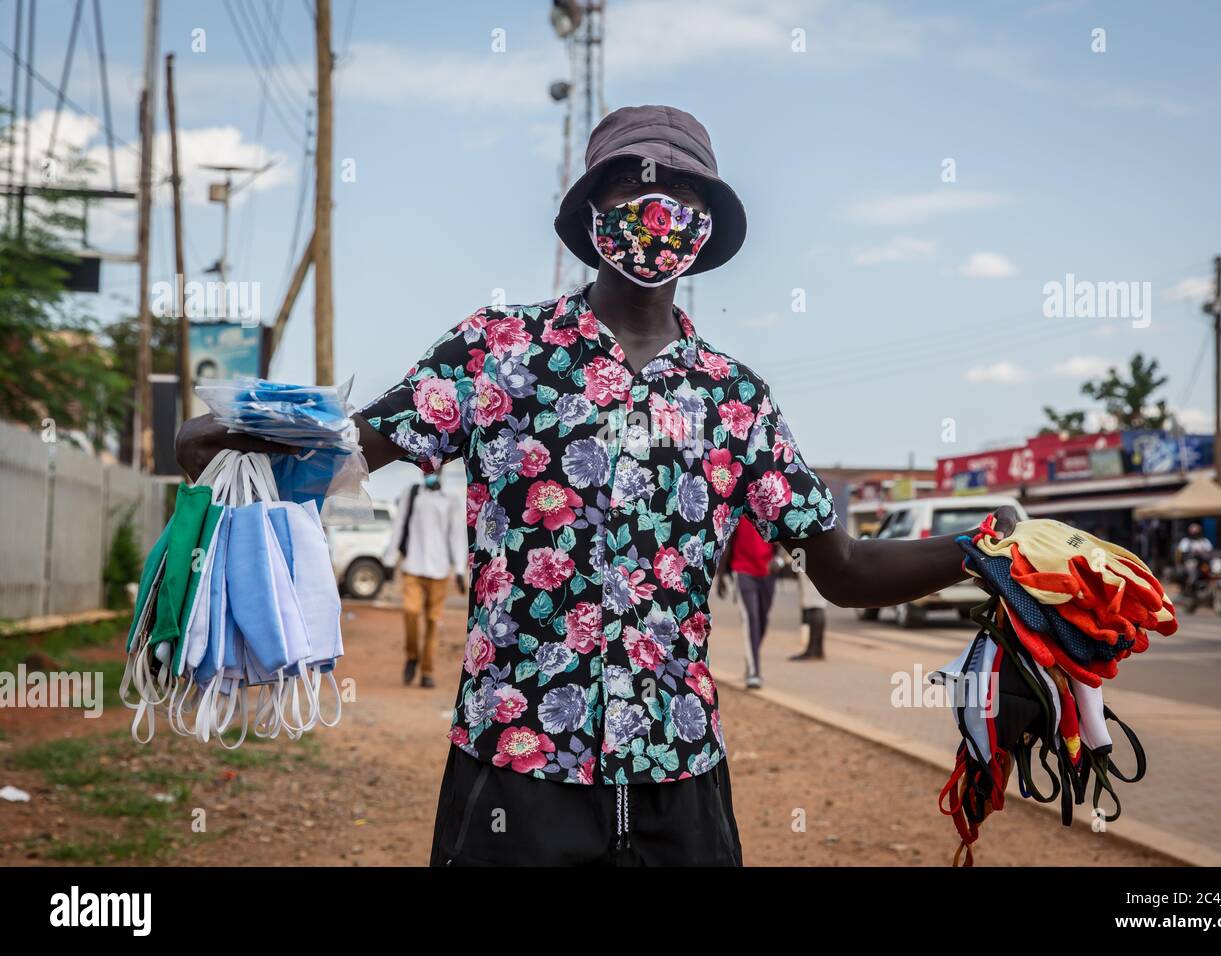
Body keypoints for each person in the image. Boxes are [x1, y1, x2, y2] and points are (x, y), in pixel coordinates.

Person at [177, 104, 1019, 867]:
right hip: (514, 771)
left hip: (680, 778)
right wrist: (231, 434)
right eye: (630, 183)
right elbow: (346, 448)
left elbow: (843, 569)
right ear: (591, 214)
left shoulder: (736, 398)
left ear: (707, 226)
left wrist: (987, 554)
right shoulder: (497, 352)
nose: (656, 206)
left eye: (682, 189)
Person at [385, 471, 468, 688]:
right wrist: (389, 558)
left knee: (433, 621)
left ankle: (427, 671)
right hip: (413, 565)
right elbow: (399, 525)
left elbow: (457, 535)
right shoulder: (411, 494)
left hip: (440, 571)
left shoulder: (451, 500)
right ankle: (412, 656)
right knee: (411, 611)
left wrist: (460, 570)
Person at [717, 515, 776, 688]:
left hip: (767, 571)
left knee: (763, 621)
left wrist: (779, 560)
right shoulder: (739, 511)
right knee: (751, 619)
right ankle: (754, 671)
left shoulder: (771, 508)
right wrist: (721, 576)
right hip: (742, 571)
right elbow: (726, 542)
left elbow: (783, 539)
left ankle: (751, 655)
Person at [790, 563, 828, 662]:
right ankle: (817, 649)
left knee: (814, 604)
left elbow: (800, 548)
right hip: (820, 563)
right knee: (817, 604)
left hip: (810, 563)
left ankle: (814, 650)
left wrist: (796, 567)